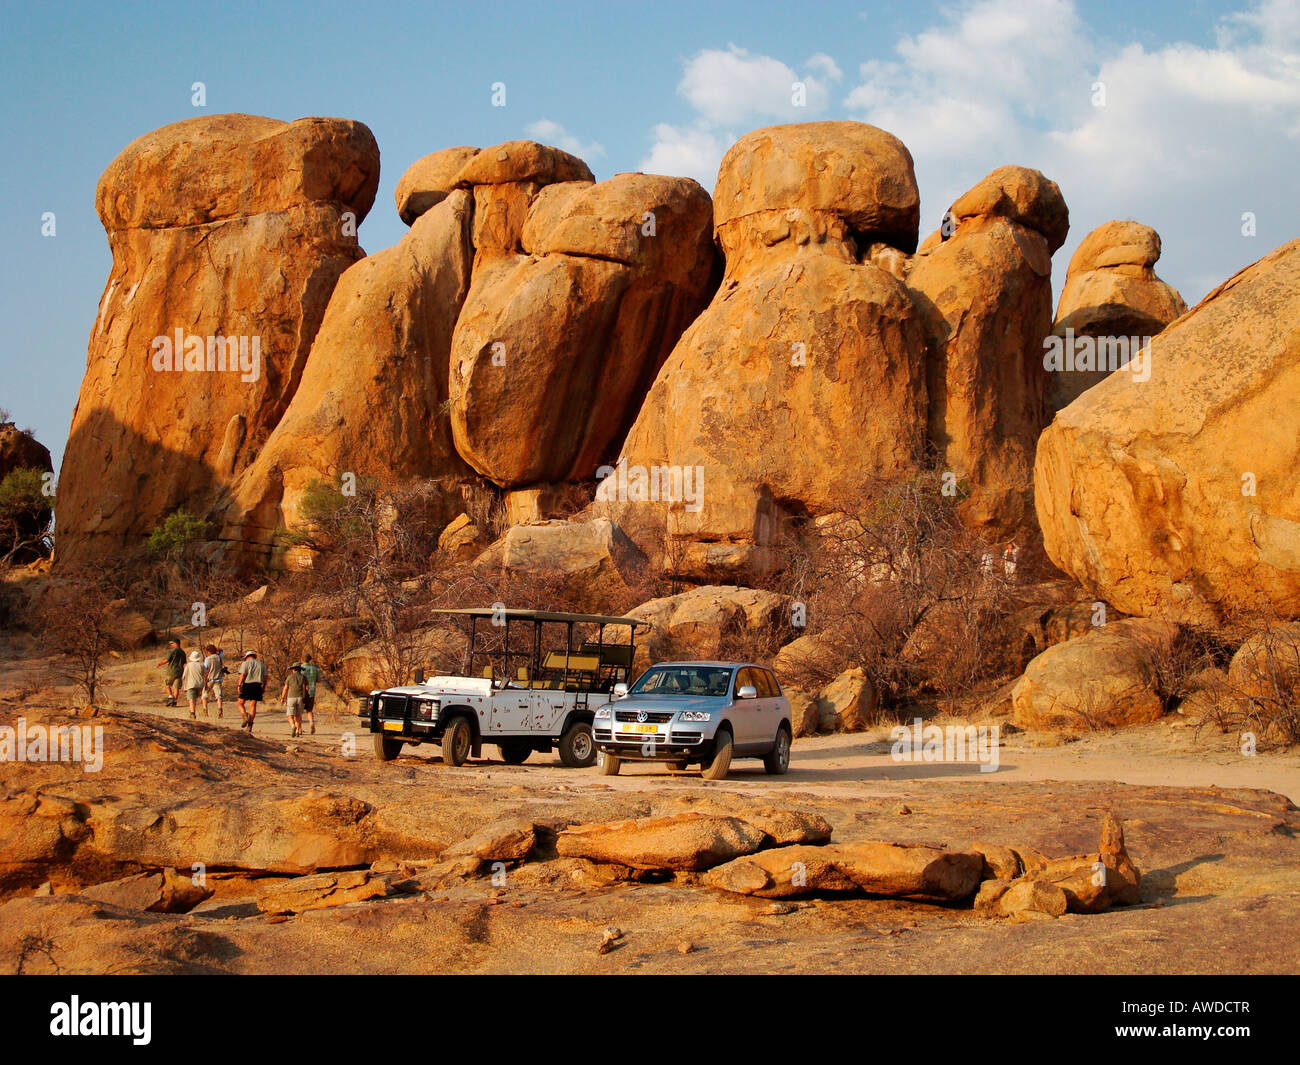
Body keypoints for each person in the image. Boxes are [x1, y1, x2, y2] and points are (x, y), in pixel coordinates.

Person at [236, 650, 266, 732]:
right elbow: (265, 677)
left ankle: (244, 716)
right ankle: (250, 725)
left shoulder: (245, 663)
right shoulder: (261, 664)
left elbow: (242, 675)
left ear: (247, 657)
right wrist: (264, 687)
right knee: (253, 705)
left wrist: (239, 685)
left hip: (247, 684)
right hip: (257, 685)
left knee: (240, 703)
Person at [156, 638, 185, 707]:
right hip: (180, 671)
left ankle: (170, 697)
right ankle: (174, 702)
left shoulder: (172, 651)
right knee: (176, 687)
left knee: (167, 685)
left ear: (176, 643)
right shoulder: (183, 652)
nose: (171, 645)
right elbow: (184, 662)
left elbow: (166, 660)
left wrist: (160, 664)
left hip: (171, 670)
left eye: (172, 643)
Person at [281, 663, 306, 738]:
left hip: (291, 697)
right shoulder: (303, 677)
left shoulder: (289, 677)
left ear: (293, 669)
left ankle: (292, 726)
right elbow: (306, 688)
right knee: (298, 715)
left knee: (290, 715)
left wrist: (282, 698)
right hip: (300, 697)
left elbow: (285, 688)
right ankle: (298, 730)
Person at [299, 655, 321, 735]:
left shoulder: (300, 668)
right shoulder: (314, 669)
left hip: (301, 692)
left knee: (299, 711)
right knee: (309, 710)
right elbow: (318, 680)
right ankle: (311, 722)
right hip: (311, 692)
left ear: (302, 660)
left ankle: (300, 728)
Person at [180, 650, 205, 720]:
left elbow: (184, 676)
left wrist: (183, 683)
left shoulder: (188, 665)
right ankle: (193, 710)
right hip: (200, 684)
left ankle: (192, 712)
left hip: (190, 684)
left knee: (191, 699)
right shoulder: (202, 664)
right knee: (195, 698)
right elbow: (205, 674)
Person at [202, 643, 225, 719]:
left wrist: (205, 682)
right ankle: (220, 709)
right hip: (218, 678)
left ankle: (205, 710)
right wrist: (218, 651)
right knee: (219, 695)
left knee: (204, 695)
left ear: (208, 651)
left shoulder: (207, 659)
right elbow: (221, 652)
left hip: (209, 679)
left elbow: (205, 671)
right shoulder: (219, 657)